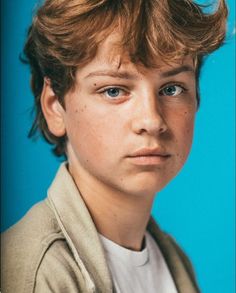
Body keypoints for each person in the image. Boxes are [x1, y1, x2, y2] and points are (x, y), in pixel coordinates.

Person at [1, 0, 228, 292]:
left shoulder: (174, 261)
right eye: (114, 90)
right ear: (55, 106)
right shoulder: (34, 273)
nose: (152, 120)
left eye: (171, 88)